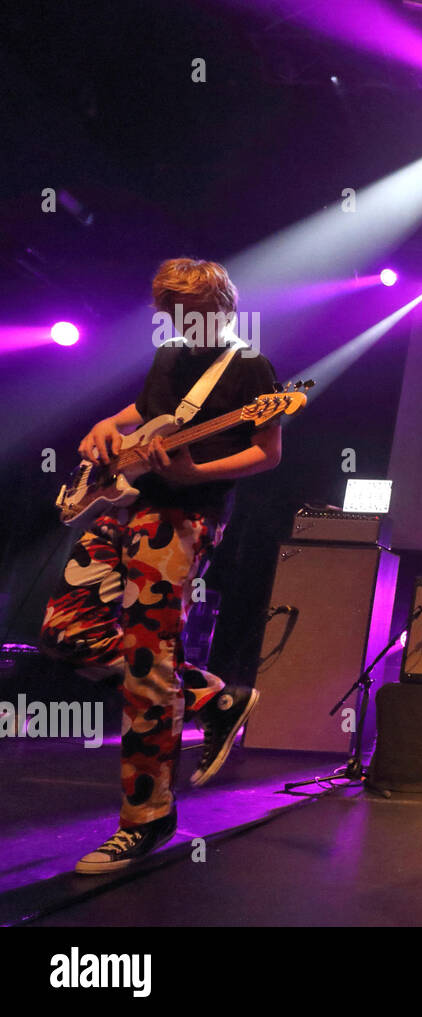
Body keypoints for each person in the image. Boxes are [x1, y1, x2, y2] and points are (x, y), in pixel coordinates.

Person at [41, 258, 281, 874]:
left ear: (224, 309)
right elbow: (146, 411)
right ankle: (210, 696)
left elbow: (267, 452)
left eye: (195, 316)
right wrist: (107, 424)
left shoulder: (251, 368)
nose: (184, 327)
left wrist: (196, 472)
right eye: (174, 317)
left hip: (182, 518)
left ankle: (146, 819)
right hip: (121, 504)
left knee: (150, 663)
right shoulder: (169, 357)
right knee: (63, 632)